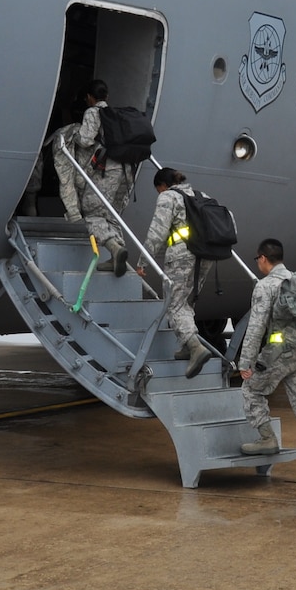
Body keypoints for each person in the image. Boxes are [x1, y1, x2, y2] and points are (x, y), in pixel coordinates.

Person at [235, 239, 296, 481]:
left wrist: (245, 363)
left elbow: (255, 328)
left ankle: (268, 439)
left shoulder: (265, 286)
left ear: (263, 259)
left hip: (279, 353)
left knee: (250, 390)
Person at [53, 79, 132, 274]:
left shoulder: (93, 112)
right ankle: (116, 256)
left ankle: (114, 248)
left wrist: (73, 134)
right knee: (112, 213)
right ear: (107, 96)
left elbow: (86, 140)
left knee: (92, 213)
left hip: (109, 168)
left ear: (89, 97)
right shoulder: (117, 114)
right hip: (127, 170)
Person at [141, 167, 213, 378]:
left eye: (158, 190)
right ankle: (186, 345)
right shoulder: (201, 196)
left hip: (182, 255)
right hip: (205, 255)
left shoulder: (168, 197)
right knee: (188, 301)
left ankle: (195, 348)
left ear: (162, 186)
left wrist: (143, 261)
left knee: (174, 304)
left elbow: (157, 231)